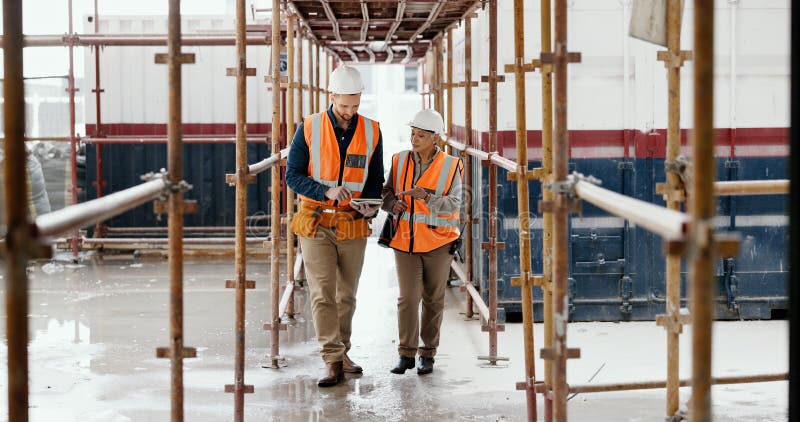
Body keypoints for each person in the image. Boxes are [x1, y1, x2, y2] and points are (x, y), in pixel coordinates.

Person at [286, 65, 384, 387]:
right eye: (344, 106)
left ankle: (343, 351)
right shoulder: (310, 128)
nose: (350, 112)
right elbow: (293, 176)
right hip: (316, 222)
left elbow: (375, 179)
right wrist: (324, 191)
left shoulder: (372, 131)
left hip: (352, 224)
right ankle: (332, 359)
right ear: (332, 97)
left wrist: (368, 206)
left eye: (355, 105)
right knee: (322, 294)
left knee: (347, 296)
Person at [381, 109, 462, 375]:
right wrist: (394, 204)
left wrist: (425, 197)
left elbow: (453, 205)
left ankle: (428, 354)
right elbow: (386, 193)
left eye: (421, 135)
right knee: (407, 299)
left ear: (435, 137)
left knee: (433, 299)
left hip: (439, 244)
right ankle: (406, 353)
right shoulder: (400, 160)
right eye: (413, 133)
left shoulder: (451, 166)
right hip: (405, 242)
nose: (414, 139)